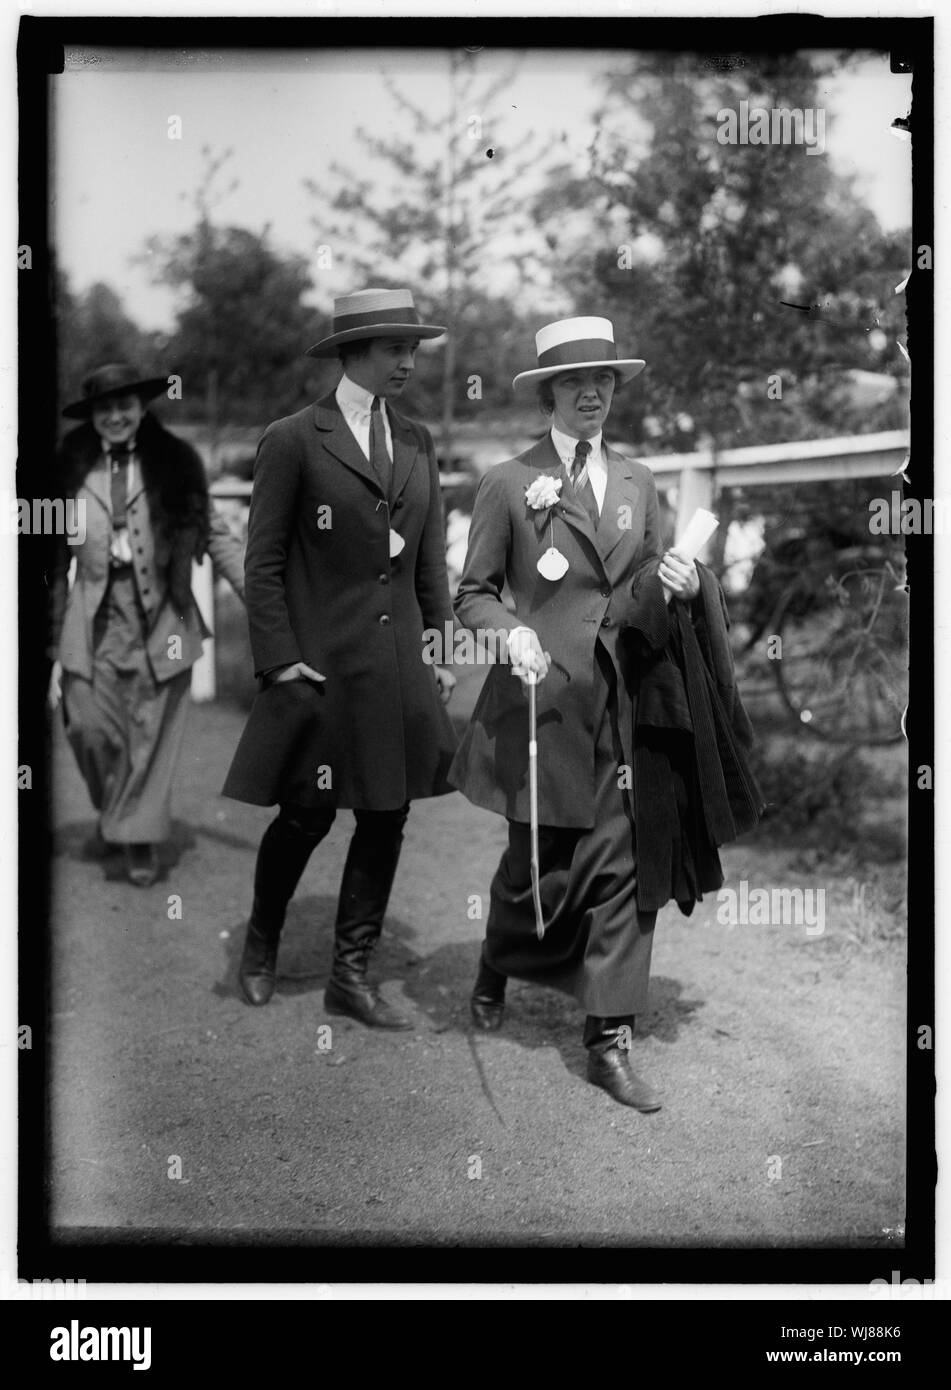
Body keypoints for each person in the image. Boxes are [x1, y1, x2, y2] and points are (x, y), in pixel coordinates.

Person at [449, 316, 757, 1112]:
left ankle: (607, 1042)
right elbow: (471, 596)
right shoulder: (507, 483)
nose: (592, 393)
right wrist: (510, 634)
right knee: (536, 867)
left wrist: (684, 583)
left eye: (605, 380)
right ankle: (496, 960)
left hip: (627, 707)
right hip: (541, 706)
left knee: (626, 866)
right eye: (575, 381)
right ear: (548, 392)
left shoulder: (637, 481)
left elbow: (646, 583)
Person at [222, 287, 458, 1027]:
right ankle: (260, 943)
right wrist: (279, 659)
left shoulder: (417, 441)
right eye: (393, 348)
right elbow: (261, 565)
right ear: (351, 355)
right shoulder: (294, 438)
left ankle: (349, 976)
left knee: (386, 817)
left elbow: (428, 563)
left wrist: (440, 646)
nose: (406, 362)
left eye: (412, 349)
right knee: (305, 815)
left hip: (395, 665)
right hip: (320, 665)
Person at [48, 363, 246, 887]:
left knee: (152, 732)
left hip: (170, 612)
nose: (116, 416)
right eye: (105, 408)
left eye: (125, 406)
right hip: (93, 614)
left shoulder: (176, 464)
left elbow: (215, 535)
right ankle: (117, 815)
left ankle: (137, 839)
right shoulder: (68, 466)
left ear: (142, 408)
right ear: (92, 415)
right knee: (87, 727)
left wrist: (267, 601)